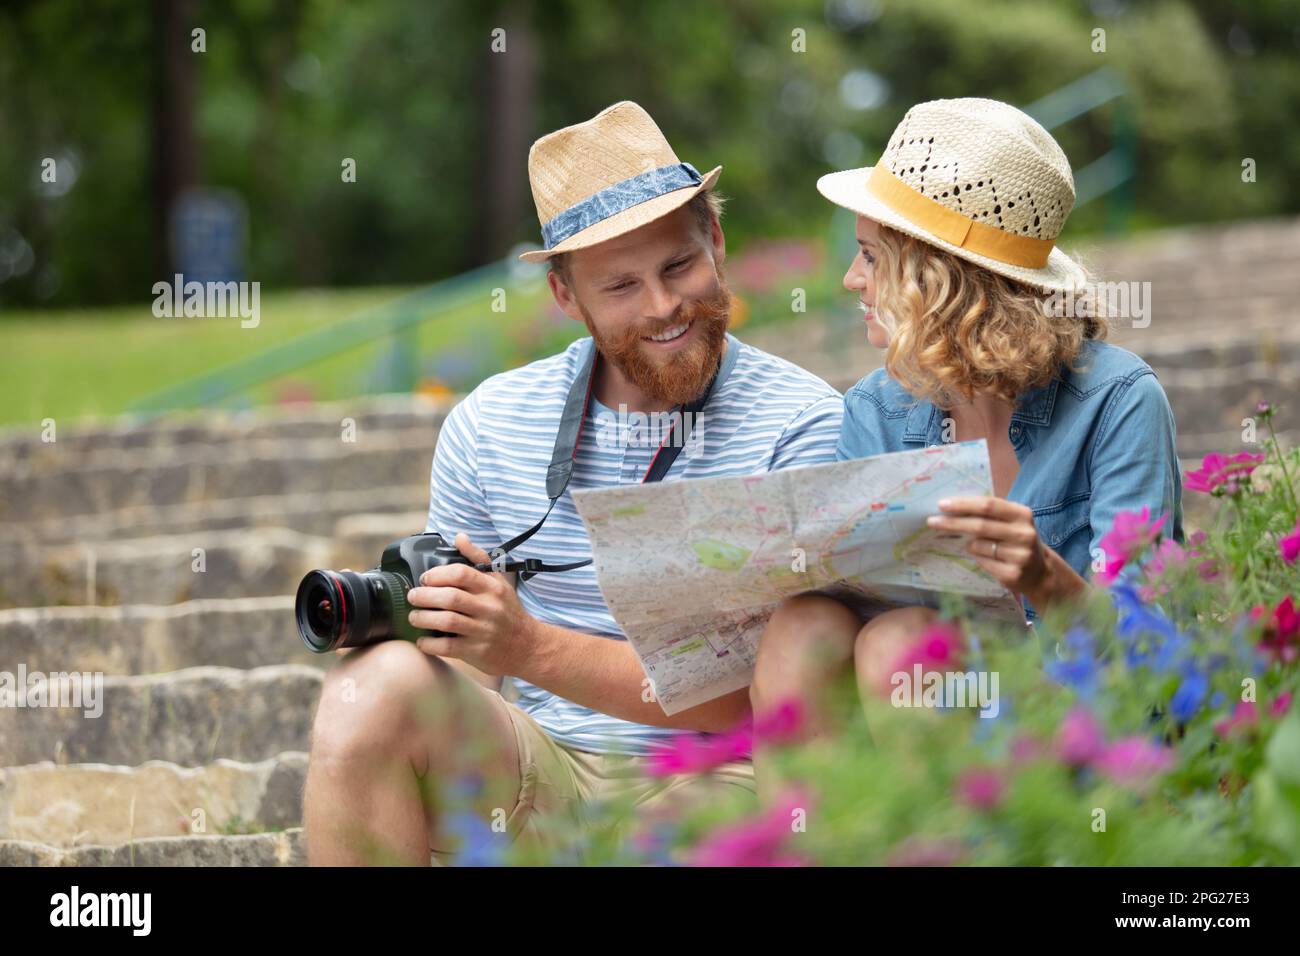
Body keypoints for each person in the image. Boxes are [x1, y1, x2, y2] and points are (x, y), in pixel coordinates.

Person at [304, 101, 844, 865]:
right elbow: (464, 678)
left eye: (679, 266)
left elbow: (772, 697)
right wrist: (448, 640)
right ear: (567, 298)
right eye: (620, 286)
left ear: (716, 242)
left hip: (722, 782)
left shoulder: (804, 422)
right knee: (372, 686)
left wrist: (528, 645)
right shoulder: (489, 424)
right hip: (541, 774)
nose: (664, 307)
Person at [750, 97, 1183, 751]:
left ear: (940, 280)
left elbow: (1147, 657)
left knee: (902, 650)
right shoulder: (876, 409)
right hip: (929, 697)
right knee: (818, 628)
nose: (848, 280)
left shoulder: (1117, 399)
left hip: (1067, 698)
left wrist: (1045, 577)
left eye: (870, 256)